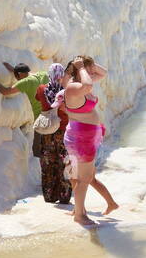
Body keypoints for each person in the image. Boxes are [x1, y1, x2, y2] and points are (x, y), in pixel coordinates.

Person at [61, 55, 119, 225]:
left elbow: (103, 73)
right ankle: (80, 215)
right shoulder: (73, 87)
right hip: (81, 140)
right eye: (87, 69)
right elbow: (87, 85)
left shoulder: (79, 84)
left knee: (81, 177)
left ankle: (79, 210)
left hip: (84, 138)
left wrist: (89, 65)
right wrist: (80, 67)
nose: (90, 72)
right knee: (83, 179)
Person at [34, 63, 71, 204]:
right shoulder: (66, 92)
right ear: (61, 75)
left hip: (48, 131)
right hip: (63, 132)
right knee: (64, 162)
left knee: (48, 163)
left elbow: (38, 99)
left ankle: (50, 196)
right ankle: (64, 195)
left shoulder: (42, 89)